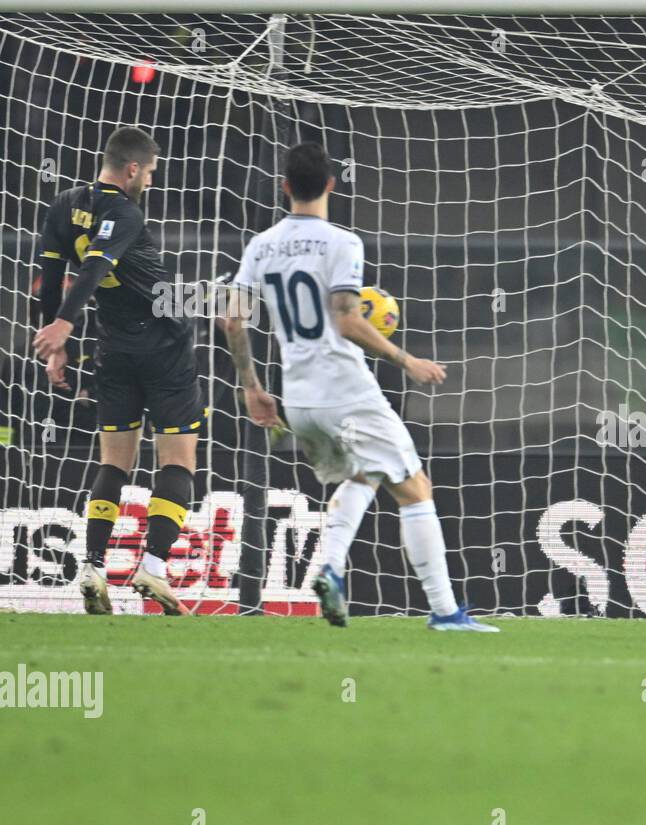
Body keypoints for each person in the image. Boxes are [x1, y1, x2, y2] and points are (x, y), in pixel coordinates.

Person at [222, 142, 496, 632]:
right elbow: (347, 319)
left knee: (363, 475)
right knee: (415, 488)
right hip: (347, 390)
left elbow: (231, 320)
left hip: (299, 399)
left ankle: (330, 567)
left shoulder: (260, 245)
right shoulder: (342, 243)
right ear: (330, 184)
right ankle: (445, 612)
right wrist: (405, 358)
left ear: (284, 187)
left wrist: (252, 388)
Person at [33, 126, 200, 615]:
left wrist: (53, 342)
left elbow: (49, 274)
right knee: (177, 462)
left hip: (115, 350)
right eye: (149, 172)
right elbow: (91, 269)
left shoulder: (63, 204)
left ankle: (93, 567)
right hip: (166, 347)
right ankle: (153, 565)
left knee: (114, 463)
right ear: (132, 169)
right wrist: (63, 325)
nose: (149, 180)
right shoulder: (125, 211)